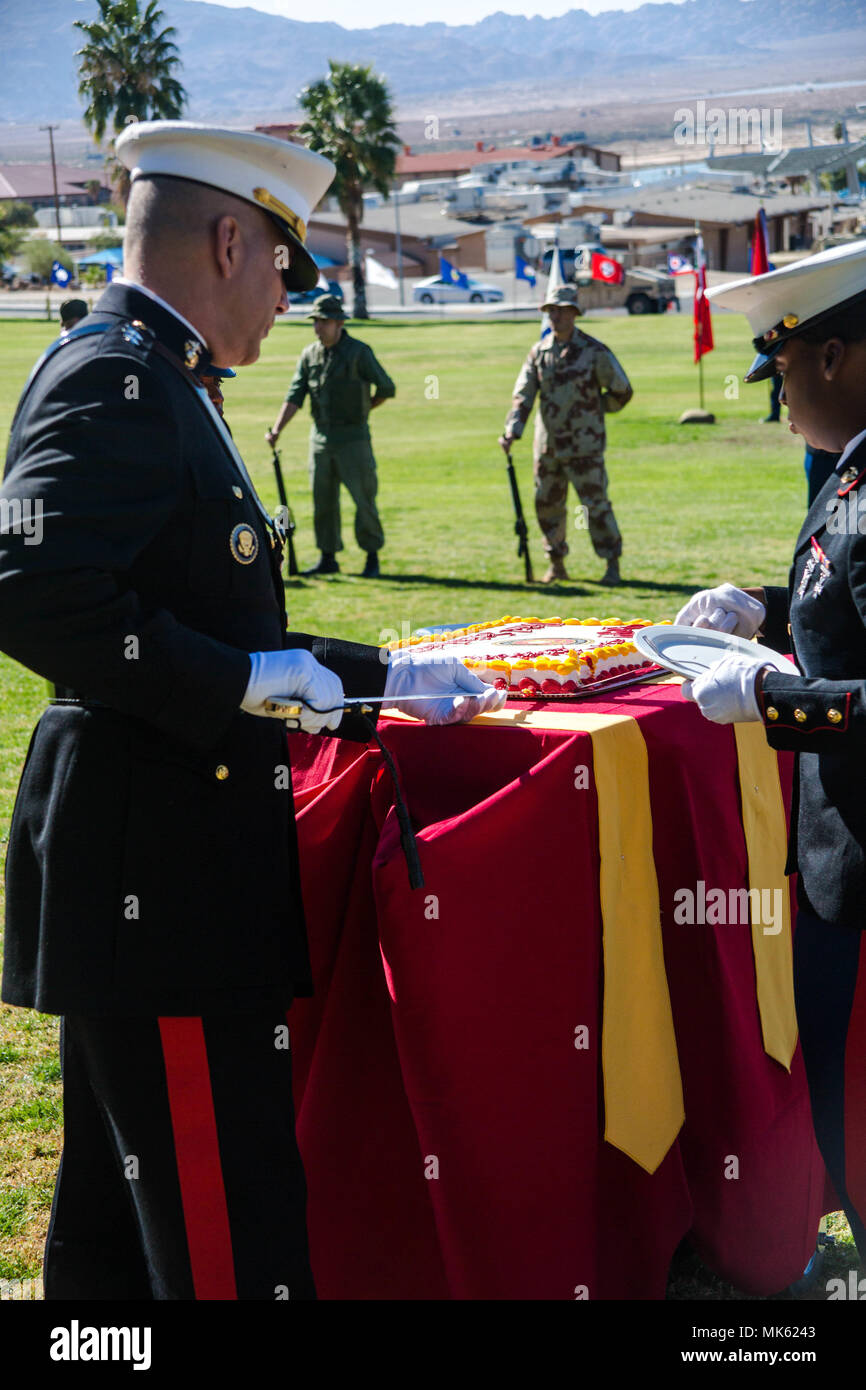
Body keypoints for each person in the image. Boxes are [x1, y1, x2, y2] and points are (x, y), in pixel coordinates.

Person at [0, 119, 504, 1301]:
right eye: (284, 263)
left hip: (159, 868)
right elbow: (30, 586)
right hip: (163, 881)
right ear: (230, 240)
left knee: (122, 1231)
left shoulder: (154, 372)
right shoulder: (120, 375)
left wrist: (378, 675)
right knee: (224, 1229)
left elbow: (194, 605)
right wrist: (239, 682)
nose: (288, 297)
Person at [674, 239, 866, 1260]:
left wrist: (775, 699)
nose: (776, 397)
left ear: (833, 357)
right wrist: (759, 608)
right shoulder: (849, 472)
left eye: (782, 371)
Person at [498, 283, 632, 587]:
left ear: (574, 314)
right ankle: (556, 564)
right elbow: (523, 396)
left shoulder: (594, 352)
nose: (555, 316)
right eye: (551, 311)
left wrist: (595, 410)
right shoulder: (539, 352)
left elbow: (622, 391)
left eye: (560, 311)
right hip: (548, 448)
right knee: (547, 505)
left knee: (595, 506)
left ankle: (612, 563)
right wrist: (512, 431)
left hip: (585, 447)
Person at [265, 294, 394, 578]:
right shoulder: (309, 355)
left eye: (323, 322)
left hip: (354, 439)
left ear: (338, 323)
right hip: (321, 438)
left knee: (363, 499)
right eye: (315, 322)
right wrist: (276, 430)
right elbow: (295, 395)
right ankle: (328, 557)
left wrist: (364, 409)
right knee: (322, 500)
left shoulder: (359, 352)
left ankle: (372, 556)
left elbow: (386, 388)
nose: (318, 328)